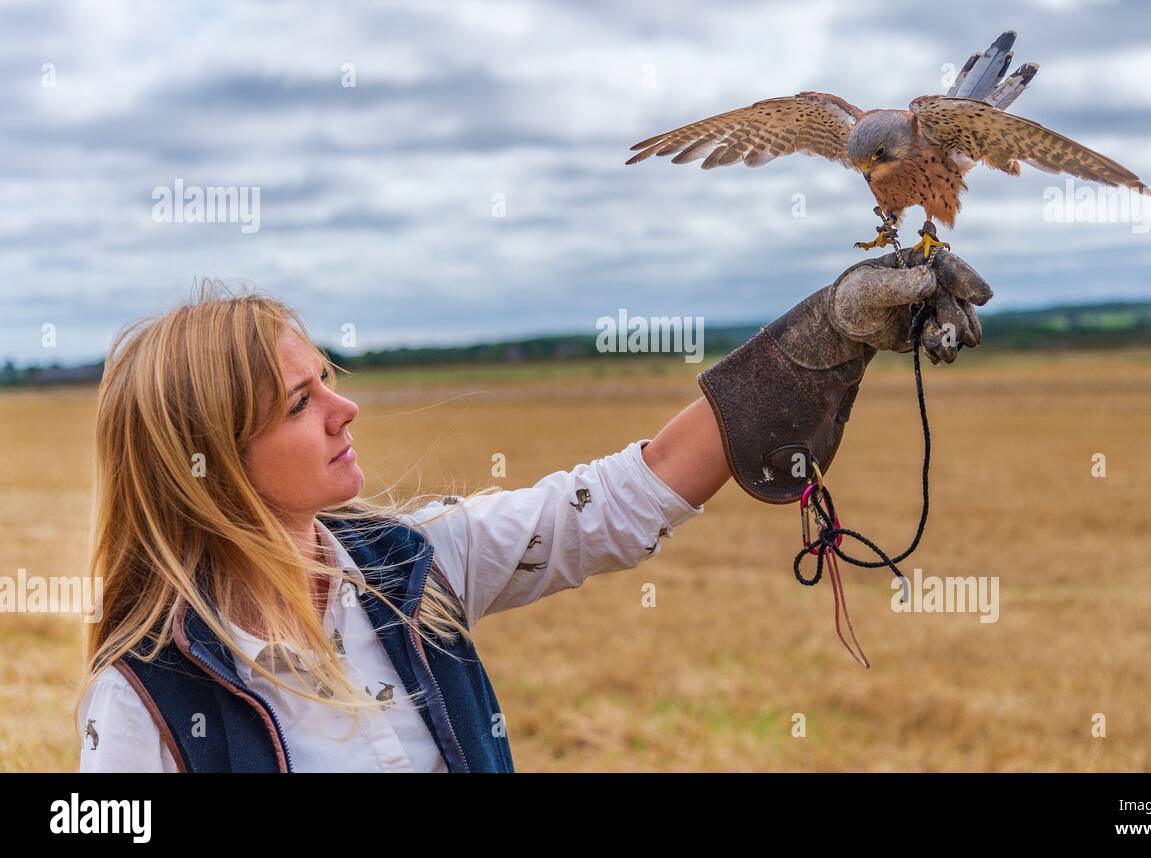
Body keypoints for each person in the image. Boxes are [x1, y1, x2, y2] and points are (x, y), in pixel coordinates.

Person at [75, 248, 991, 772]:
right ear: (207, 465)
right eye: (297, 402)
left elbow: (613, 502)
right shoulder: (146, 697)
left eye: (330, 379)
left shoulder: (410, 568)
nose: (344, 409)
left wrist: (825, 332)